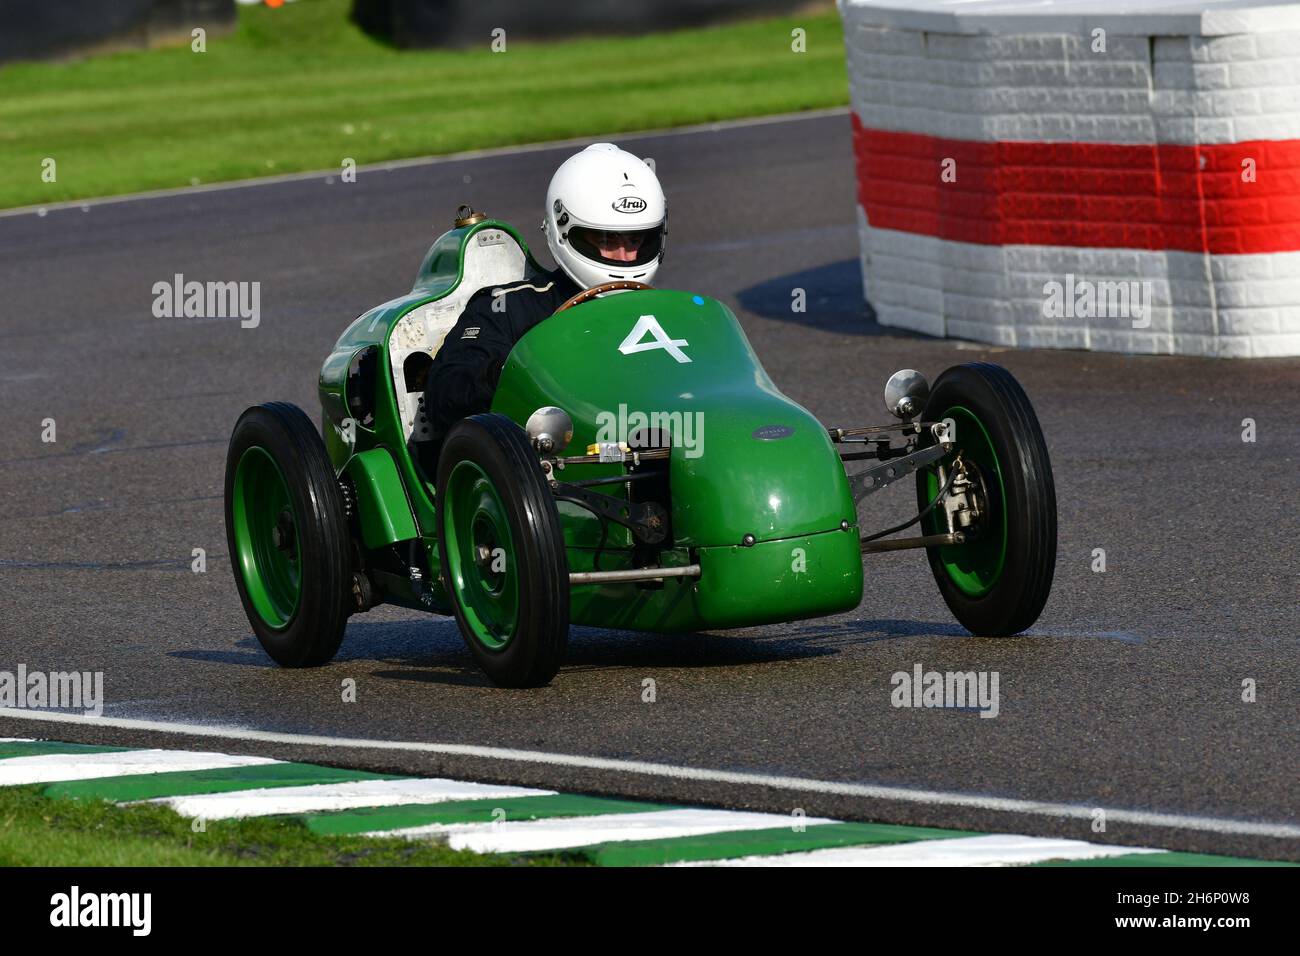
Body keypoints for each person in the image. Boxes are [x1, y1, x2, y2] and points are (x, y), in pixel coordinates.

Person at [423, 143, 667, 449]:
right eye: (606, 239)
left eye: (636, 240)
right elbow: (445, 397)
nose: (624, 255)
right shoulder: (509, 308)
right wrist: (517, 372)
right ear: (564, 228)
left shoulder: (664, 313)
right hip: (556, 474)